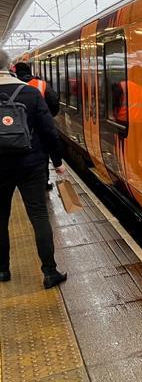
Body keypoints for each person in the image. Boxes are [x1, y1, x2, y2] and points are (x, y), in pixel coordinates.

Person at [0, 50, 67, 288]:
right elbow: (49, 130)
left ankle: (3, 270)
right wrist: (57, 162)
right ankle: (50, 272)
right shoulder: (29, 92)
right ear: (10, 66)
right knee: (39, 216)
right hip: (32, 163)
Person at [13, 61, 59, 190]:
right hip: (37, 133)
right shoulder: (41, 84)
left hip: (14, 134)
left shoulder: (10, 86)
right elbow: (54, 104)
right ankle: (44, 182)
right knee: (41, 156)